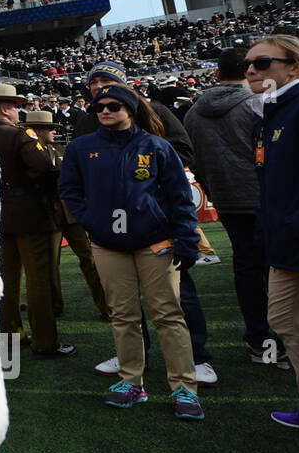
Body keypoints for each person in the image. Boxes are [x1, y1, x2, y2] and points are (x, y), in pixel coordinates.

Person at [58, 83, 205, 420]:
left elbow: (180, 197)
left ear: (131, 109)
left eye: (113, 106)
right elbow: (69, 190)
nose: (105, 111)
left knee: (167, 314)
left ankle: (184, 387)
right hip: (108, 244)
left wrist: (187, 238)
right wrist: (93, 220)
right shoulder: (81, 148)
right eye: (99, 107)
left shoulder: (157, 146)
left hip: (156, 241)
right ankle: (131, 382)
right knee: (123, 316)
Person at [184, 46, 284, 367]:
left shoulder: (193, 112)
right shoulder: (259, 104)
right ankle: (277, 342)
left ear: (216, 74)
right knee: (277, 270)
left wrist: (213, 188)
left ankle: (260, 341)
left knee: (247, 268)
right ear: (247, 70)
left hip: (226, 199)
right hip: (264, 197)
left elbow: (194, 161)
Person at [246, 35, 299, 442]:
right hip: (289, 244)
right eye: (248, 65)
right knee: (287, 323)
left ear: (295, 66)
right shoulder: (272, 111)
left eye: (262, 63)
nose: (252, 71)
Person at [0, 85, 73, 357]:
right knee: (38, 280)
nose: (19, 111)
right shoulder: (21, 136)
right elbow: (46, 165)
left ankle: (11, 336)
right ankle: (45, 342)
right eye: (15, 106)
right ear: (4, 108)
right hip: (31, 214)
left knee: (6, 281)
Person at [26, 109, 109, 320]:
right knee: (50, 265)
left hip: (71, 213)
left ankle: (107, 306)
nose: (54, 131)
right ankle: (54, 306)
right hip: (46, 213)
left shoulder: (62, 149)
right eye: (50, 128)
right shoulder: (26, 151)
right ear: (36, 130)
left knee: (90, 259)